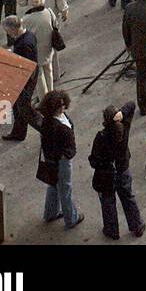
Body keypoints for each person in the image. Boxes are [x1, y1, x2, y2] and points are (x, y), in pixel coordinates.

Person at [88, 102, 146, 239]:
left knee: (108, 203)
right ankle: (136, 225)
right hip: (122, 169)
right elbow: (131, 105)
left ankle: (112, 230)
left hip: (106, 175)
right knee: (128, 197)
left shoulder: (101, 137)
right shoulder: (124, 128)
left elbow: (94, 161)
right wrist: (121, 113)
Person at [37, 90, 84, 230]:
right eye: (61, 105)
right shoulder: (58, 127)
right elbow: (69, 146)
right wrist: (66, 155)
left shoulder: (48, 121)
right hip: (61, 161)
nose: (63, 107)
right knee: (65, 188)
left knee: (53, 185)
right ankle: (71, 219)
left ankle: (50, 213)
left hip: (51, 160)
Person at [0, 15, 38, 142]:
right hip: (26, 79)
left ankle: (44, 128)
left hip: (24, 82)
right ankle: (18, 132)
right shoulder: (29, 36)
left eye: (7, 31)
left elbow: (27, 67)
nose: (8, 34)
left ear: (13, 29)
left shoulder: (23, 44)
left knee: (25, 109)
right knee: (18, 108)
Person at [23, 0, 58, 98]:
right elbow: (56, 25)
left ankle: (44, 98)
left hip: (35, 49)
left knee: (39, 75)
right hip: (48, 46)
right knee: (48, 69)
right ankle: (51, 93)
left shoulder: (26, 18)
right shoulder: (49, 12)